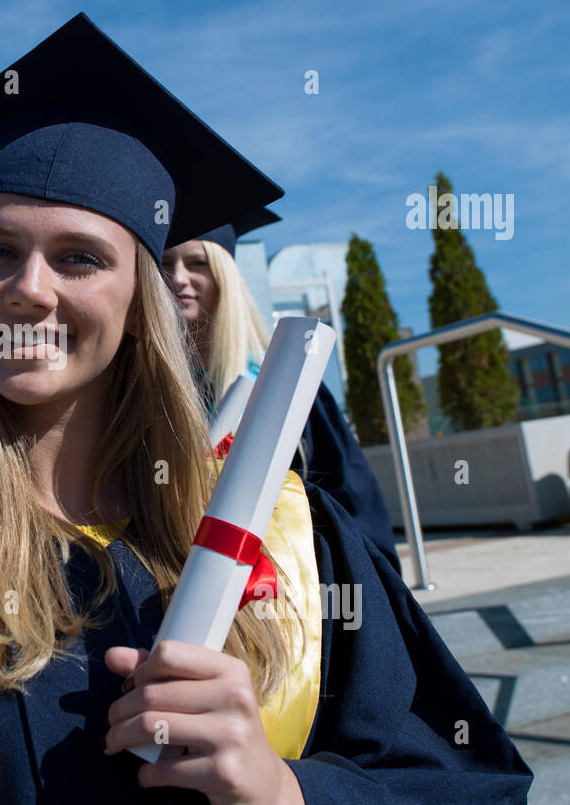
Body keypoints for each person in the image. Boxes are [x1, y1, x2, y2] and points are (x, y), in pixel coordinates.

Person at [0, 13, 532, 805]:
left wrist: (291, 800)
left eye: (80, 257)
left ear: (143, 306)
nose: (28, 286)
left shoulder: (294, 540)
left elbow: (469, 798)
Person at [163, 222, 401, 565]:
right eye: (166, 264)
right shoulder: (143, 388)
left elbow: (348, 498)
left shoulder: (280, 383)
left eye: (197, 263)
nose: (179, 277)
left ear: (225, 276)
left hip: (279, 577)